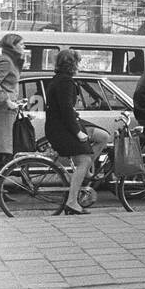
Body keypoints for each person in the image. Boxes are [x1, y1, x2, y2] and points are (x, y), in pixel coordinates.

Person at [43, 49, 94, 215]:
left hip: (59, 125)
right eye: (77, 63)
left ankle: (85, 176)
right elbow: (66, 110)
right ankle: (72, 201)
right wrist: (78, 133)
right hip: (61, 128)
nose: (78, 66)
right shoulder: (65, 82)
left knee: (103, 136)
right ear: (72, 65)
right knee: (84, 160)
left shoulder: (59, 79)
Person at [0, 32, 27, 189]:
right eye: (21, 44)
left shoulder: (13, 60)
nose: (24, 47)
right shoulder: (6, 60)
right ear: (13, 45)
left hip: (7, 111)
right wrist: (6, 101)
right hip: (0, 111)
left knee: (4, 149)